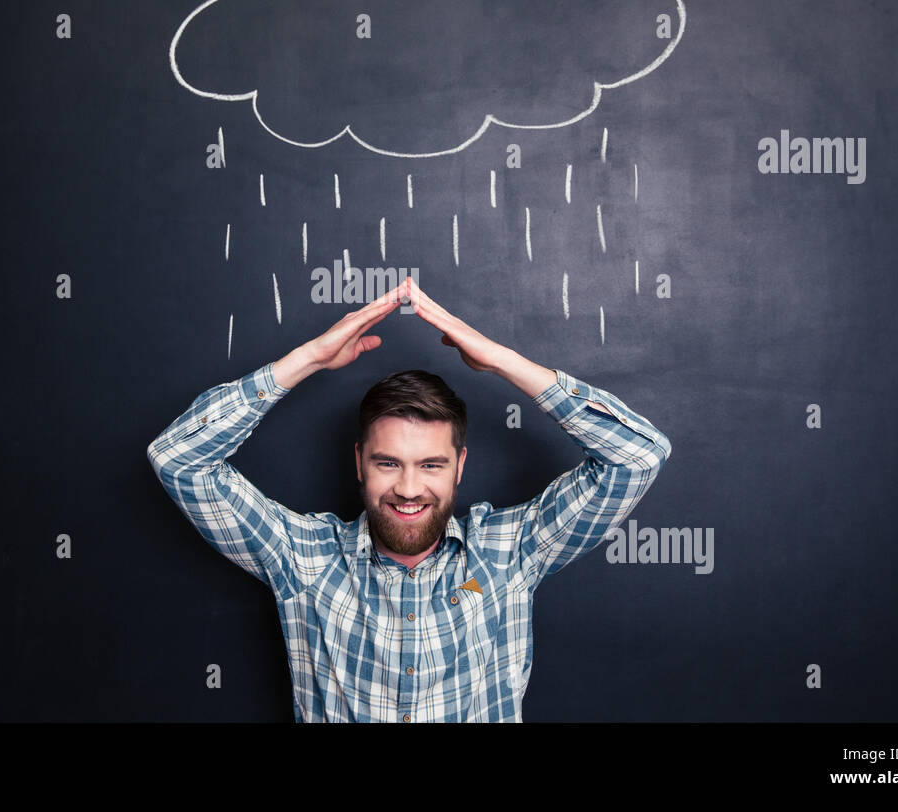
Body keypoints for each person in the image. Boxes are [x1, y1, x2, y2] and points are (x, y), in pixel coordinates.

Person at [147, 277, 670, 722]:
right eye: (388, 462)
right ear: (359, 463)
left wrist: (504, 363)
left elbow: (638, 457)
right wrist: (307, 359)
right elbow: (178, 459)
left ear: (459, 466)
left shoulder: (512, 551)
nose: (409, 488)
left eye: (431, 465)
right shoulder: (302, 556)